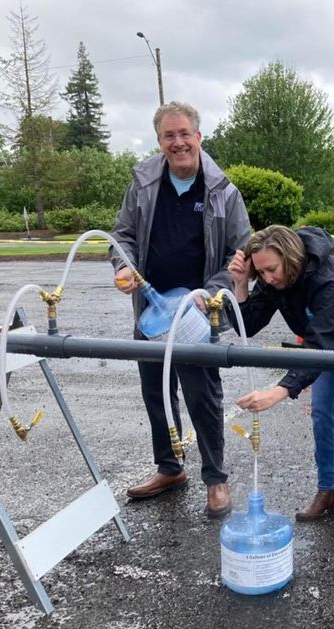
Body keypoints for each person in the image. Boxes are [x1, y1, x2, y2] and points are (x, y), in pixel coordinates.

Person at [109, 101, 251, 517]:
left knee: (202, 395)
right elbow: (122, 234)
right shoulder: (143, 183)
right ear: (159, 141)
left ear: (199, 136)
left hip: (197, 314)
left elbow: (240, 251)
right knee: (157, 394)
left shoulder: (223, 191)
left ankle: (216, 478)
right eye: (169, 136)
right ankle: (170, 467)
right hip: (151, 312)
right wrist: (123, 266)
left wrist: (213, 292)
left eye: (184, 134)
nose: (178, 142)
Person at [228, 225, 334, 533]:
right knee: (321, 412)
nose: (268, 278)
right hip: (330, 343)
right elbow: (247, 326)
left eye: (271, 269)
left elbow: (318, 346)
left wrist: (278, 392)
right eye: (259, 272)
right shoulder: (272, 278)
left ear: (289, 256)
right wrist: (240, 285)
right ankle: (329, 490)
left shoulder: (329, 278)